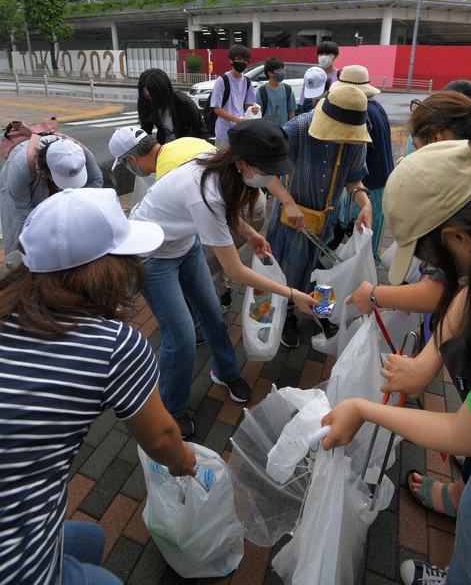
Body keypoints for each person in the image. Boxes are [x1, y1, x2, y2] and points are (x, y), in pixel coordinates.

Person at [320, 140, 471, 585]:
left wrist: (363, 409)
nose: (430, 270)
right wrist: (425, 363)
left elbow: (462, 434)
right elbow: (470, 291)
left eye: (429, 258)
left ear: (460, 238)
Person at [0, 188, 196, 585]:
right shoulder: (114, 347)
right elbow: (160, 438)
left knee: (89, 538)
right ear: (108, 270)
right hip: (14, 565)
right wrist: (185, 464)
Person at [130, 119, 316, 438]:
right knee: (182, 337)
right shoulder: (206, 190)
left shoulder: (226, 168)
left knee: (213, 313)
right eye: (268, 169)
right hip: (152, 254)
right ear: (243, 164)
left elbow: (223, 212)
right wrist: (292, 294)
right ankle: (171, 411)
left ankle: (226, 372)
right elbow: (236, 272)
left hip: (182, 242)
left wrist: (251, 233)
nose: (275, 177)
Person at [108, 125, 265, 316]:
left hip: (237, 209)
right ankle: (218, 299)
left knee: (210, 265)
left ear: (132, 160)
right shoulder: (184, 141)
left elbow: (234, 267)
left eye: (125, 164)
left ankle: (215, 304)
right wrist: (250, 233)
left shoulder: (167, 172)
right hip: (251, 200)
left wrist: (290, 294)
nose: (129, 168)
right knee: (216, 259)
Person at [266, 84, 373, 349]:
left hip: (327, 218)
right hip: (293, 217)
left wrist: (365, 202)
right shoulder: (298, 129)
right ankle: (288, 314)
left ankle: (322, 312)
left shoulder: (356, 138)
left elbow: (354, 179)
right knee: (288, 269)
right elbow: (266, 173)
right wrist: (288, 202)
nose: (343, 138)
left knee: (326, 270)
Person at [0, 135, 103, 267]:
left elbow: (96, 180)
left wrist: (77, 211)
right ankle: (20, 272)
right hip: (19, 189)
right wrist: (48, 230)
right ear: (47, 171)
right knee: (20, 235)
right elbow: (24, 211)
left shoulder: (79, 153)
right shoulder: (20, 167)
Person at [331, 64, 394, 254]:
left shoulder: (362, 112)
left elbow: (358, 154)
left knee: (362, 243)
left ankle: (363, 281)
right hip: (382, 182)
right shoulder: (376, 106)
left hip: (368, 186)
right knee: (370, 239)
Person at [137, 67, 210, 143]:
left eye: (154, 96)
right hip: (165, 148)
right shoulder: (145, 102)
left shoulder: (183, 102)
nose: (151, 100)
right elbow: (146, 129)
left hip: (186, 147)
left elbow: (202, 131)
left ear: (164, 91)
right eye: (147, 96)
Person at [210, 44, 257, 149]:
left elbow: (249, 106)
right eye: (239, 59)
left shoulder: (248, 81)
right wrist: (236, 119)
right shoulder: (222, 81)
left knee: (239, 163)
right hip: (224, 132)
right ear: (231, 60)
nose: (242, 63)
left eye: (245, 60)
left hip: (240, 131)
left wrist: (253, 109)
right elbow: (217, 109)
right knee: (223, 164)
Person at [297, 40, 340, 110]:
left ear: (335, 56)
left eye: (327, 54)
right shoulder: (311, 75)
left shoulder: (340, 76)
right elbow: (303, 102)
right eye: (321, 54)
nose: (323, 57)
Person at [255, 57, 297, 125]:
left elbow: (291, 113)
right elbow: (257, 116)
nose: (281, 72)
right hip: (267, 132)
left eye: (282, 70)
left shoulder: (287, 89)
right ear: (270, 73)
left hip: (284, 131)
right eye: (278, 70)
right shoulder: (261, 92)